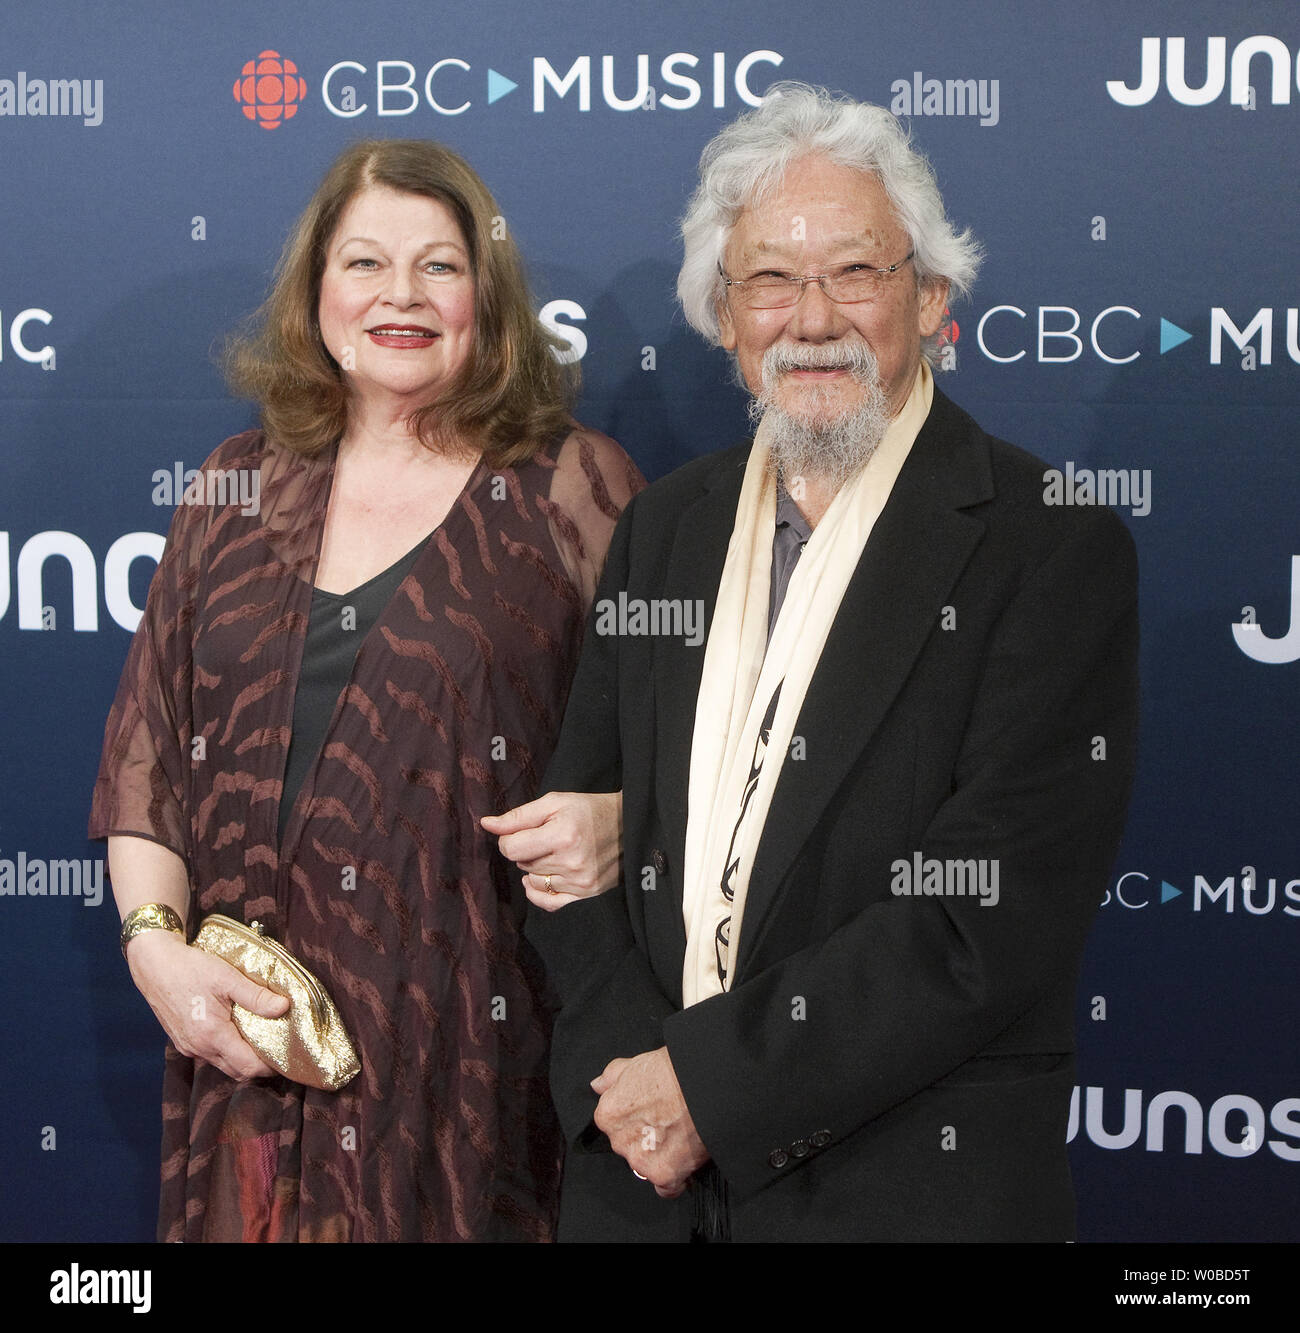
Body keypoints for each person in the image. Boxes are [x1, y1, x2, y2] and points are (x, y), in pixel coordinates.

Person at [492, 84, 1139, 1242]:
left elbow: (978, 918)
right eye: (770, 281)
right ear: (724, 316)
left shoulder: (1049, 544)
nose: (811, 317)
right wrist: (641, 1087)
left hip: (899, 1186)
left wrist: (709, 1087)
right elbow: (576, 843)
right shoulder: (665, 528)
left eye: (854, 273)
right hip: (645, 1188)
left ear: (932, 298)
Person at [89, 138, 642, 1242]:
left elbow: (686, 747)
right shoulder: (236, 484)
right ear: (315, 292)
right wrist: (157, 952)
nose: (401, 295)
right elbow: (148, 752)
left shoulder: (573, 487)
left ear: (487, 296)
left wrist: (628, 821)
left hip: (472, 1055)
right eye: (365, 263)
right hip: (247, 1048)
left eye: (439, 265)